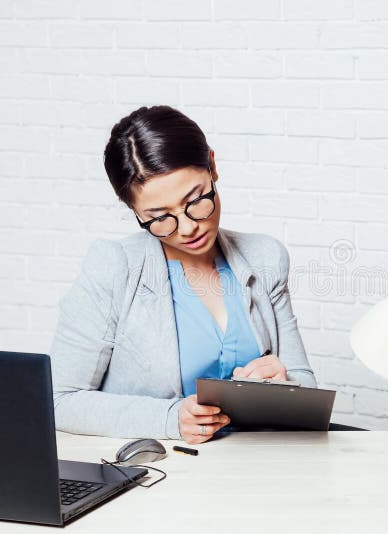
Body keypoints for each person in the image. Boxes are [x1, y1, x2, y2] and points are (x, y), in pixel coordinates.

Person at [49, 105, 316, 445]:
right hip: (163, 475)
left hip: (260, 466)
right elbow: (61, 399)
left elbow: (305, 385)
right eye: (160, 218)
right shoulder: (114, 267)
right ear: (135, 212)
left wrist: (285, 384)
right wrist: (170, 418)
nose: (188, 228)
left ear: (213, 167)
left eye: (195, 200)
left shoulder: (264, 257)